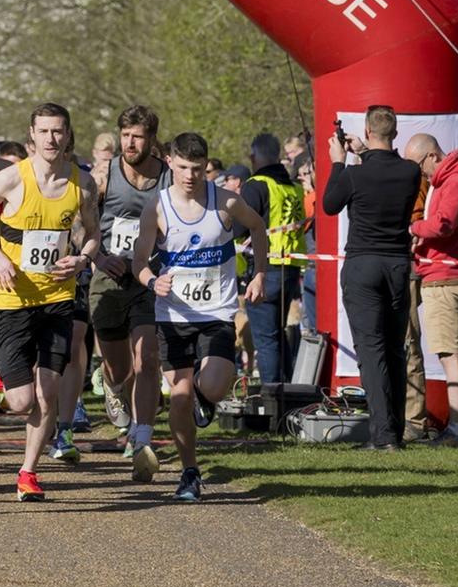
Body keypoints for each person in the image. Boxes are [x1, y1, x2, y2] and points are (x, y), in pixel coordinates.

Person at [132, 130, 268, 501]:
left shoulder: (225, 202)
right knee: (179, 394)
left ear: (206, 167)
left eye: (197, 168)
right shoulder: (157, 208)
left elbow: (257, 227)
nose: (190, 176)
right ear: (170, 164)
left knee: (212, 385)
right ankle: (189, 472)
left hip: (216, 312)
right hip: (173, 316)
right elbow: (139, 263)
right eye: (183, 168)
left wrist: (258, 273)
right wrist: (151, 282)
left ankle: (203, 400)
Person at [0, 104, 100, 501]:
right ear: (31, 135)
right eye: (44, 132)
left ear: (68, 135)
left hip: (57, 297)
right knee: (20, 401)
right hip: (14, 297)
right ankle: (5, 381)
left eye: (58, 132)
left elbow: (92, 234)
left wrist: (82, 258)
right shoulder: (11, 179)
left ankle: (28, 472)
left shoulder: (82, 184)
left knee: (47, 392)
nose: (51, 139)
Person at [320, 105, 422, 451]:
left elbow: (330, 205)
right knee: (395, 349)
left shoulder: (353, 174)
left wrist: (339, 161)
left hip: (364, 264)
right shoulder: (410, 172)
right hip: (397, 265)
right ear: (395, 133)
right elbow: (384, 169)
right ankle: (395, 429)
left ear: (366, 130)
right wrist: (361, 155)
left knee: (372, 350)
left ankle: (383, 436)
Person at [87, 105, 164, 472]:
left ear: (152, 139)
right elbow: (81, 224)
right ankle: (115, 389)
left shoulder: (167, 177)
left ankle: (142, 439)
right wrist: (99, 256)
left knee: (147, 358)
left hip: (148, 279)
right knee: (119, 367)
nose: (130, 143)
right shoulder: (105, 174)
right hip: (109, 277)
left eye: (138, 137)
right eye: (126, 136)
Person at [404, 135, 458, 444]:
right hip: (454, 274)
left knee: (452, 358)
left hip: (445, 278)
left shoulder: (455, 182)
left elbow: (443, 224)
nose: (421, 175)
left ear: (433, 156)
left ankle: (455, 429)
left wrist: (413, 229)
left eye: (420, 167)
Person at [240, 131, 307, 390]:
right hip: (290, 269)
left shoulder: (256, 184)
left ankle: (272, 399)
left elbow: (238, 227)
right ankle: (288, 395)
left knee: (266, 339)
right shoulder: (293, 187)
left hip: (264, 270)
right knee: (279, 335)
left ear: (254, 156)